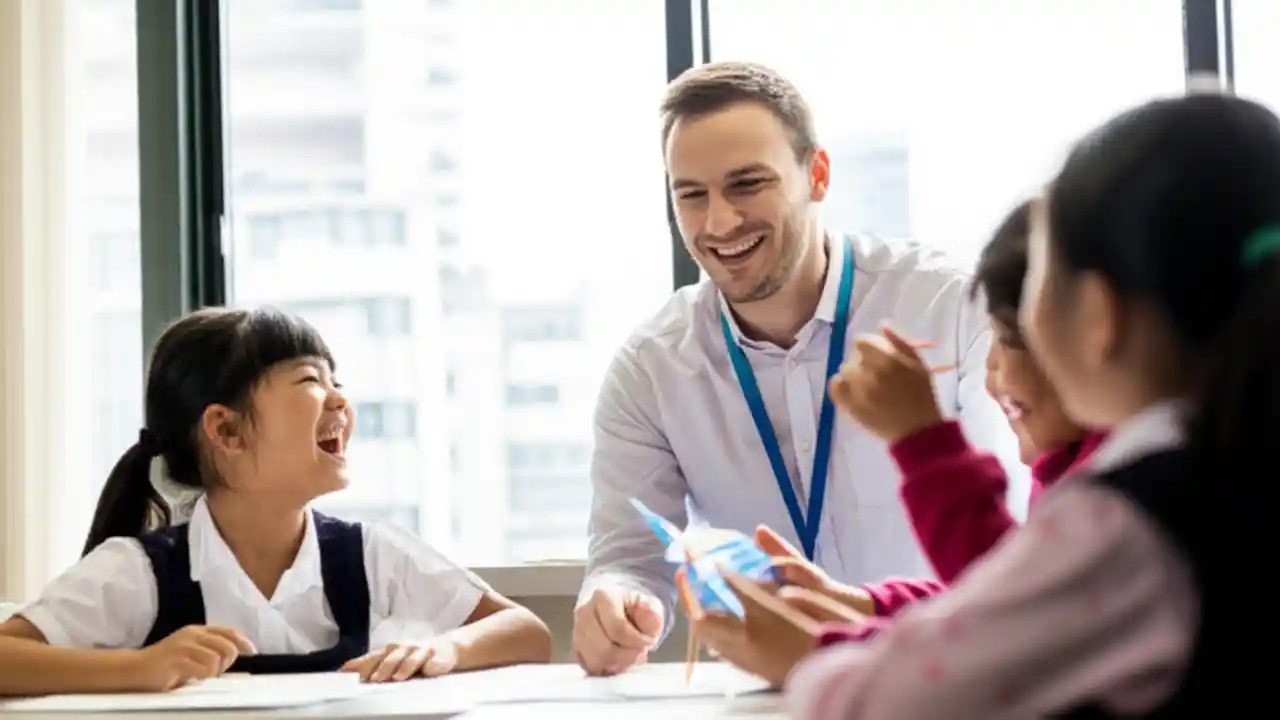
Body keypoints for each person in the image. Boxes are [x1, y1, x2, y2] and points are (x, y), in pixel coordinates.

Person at [700, 90, 1276, 717]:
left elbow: (891, 703)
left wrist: (816, 655)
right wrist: (865, 615)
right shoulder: (1230, 468)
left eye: (1038, 282)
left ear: (1098, 315)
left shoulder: (1123, 524)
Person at [572, 60, 1020, 676]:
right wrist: (617, 601)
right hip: (775, 694)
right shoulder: (650, 368)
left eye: (747, 185)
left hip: (950, 679)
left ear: (817, 175)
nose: (719, 223)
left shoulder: (948, 308)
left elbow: (1017, 534)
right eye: (691, 195)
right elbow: (629, 557)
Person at [0, 307, 551, 696]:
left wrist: (447, 651)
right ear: (227, 431)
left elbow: (526, 632)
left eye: (337, 380)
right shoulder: (138, 573)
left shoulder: (373, 555)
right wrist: (140, 669)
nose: (340, 399)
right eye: (311, 379)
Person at [753, 199, 1108, 623]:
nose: (991, 374)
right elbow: (995, 592)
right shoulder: (1063, 468)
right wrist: (855, 608)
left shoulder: (1122, 487)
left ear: (1099, 331)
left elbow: (1023, 620)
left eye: (1009, 339)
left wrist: (923, 442)